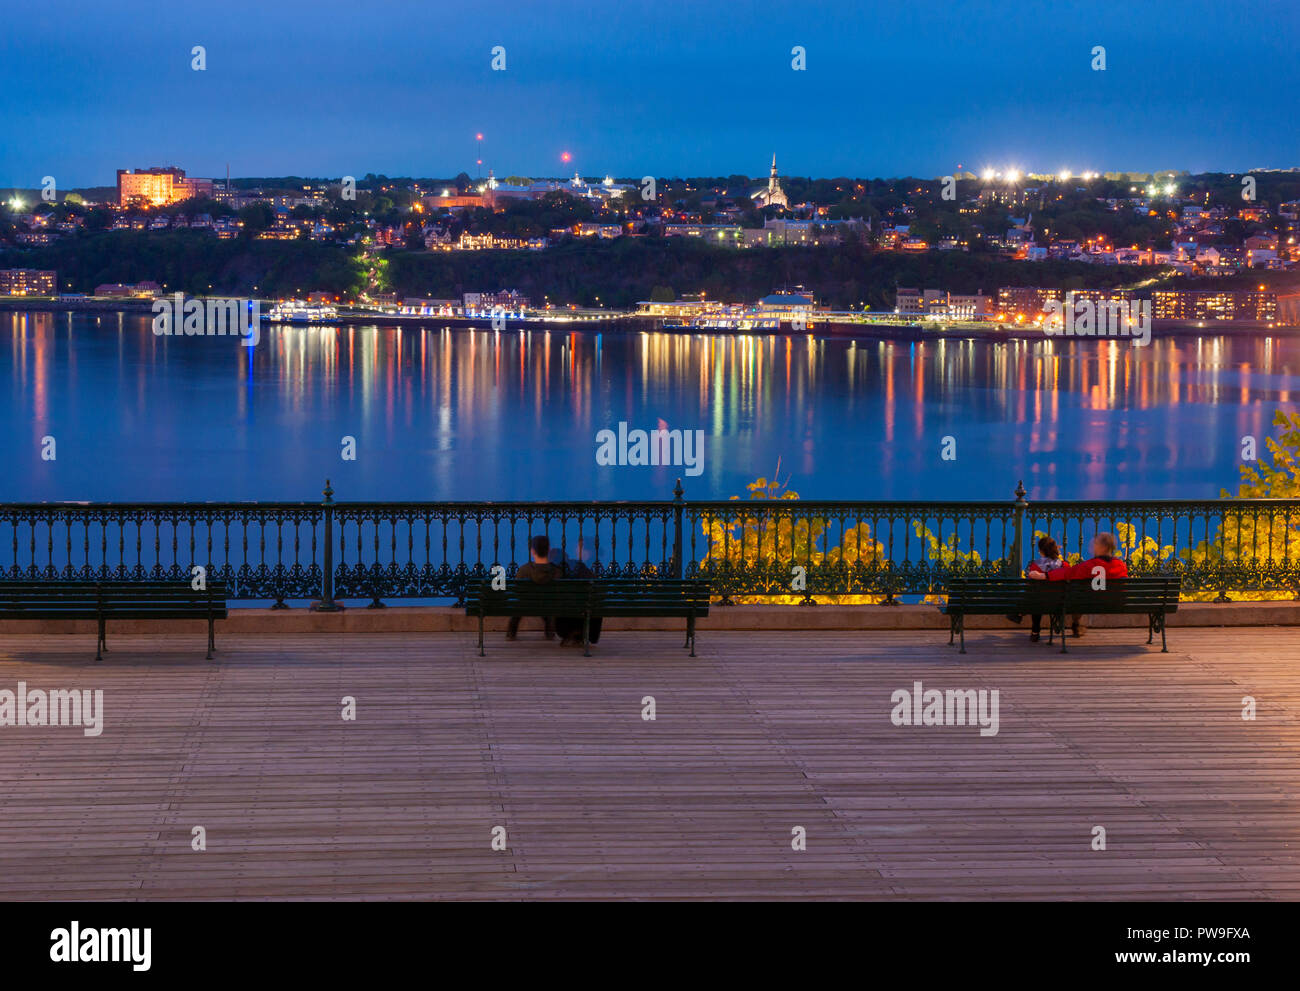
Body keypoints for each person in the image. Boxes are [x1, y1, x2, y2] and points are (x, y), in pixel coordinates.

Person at [1027, 532, 1128, 637]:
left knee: (1078, 596)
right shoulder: (1120, 565)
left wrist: (1045, 576)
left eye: (1095, 544)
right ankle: (1076, 625)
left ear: (1103, 547)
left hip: (1091, 603)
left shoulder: (1090, 565)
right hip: (1117, 603)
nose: (1092, 546)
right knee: (1080, 594)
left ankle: (1075, 624)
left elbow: (1068, 572)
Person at [505, 535, 559, 641]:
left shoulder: (524, 570)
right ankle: (549, 632)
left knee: (519, 604)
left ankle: (511, 632)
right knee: (547, 603)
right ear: (548, 550)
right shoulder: (556, 571)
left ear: (532, 551)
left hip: (525, 605)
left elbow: (516, 591)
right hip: (547, 606)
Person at [556, 538, 601, 647]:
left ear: (586, 551)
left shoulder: (573, 568)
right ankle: (580, 634)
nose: (576, 550)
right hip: (587, 615)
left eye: (578, 547)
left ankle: (572, 633)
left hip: (567, 619)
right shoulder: (592, 569)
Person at [1024, 536, 1065, 642]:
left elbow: (1030, 584)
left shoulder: (1035, 565)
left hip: (1041, 603)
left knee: (1036, 600)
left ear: (1041, 551)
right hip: (1060, 602)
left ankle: (1035, 631)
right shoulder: (1063, 565)